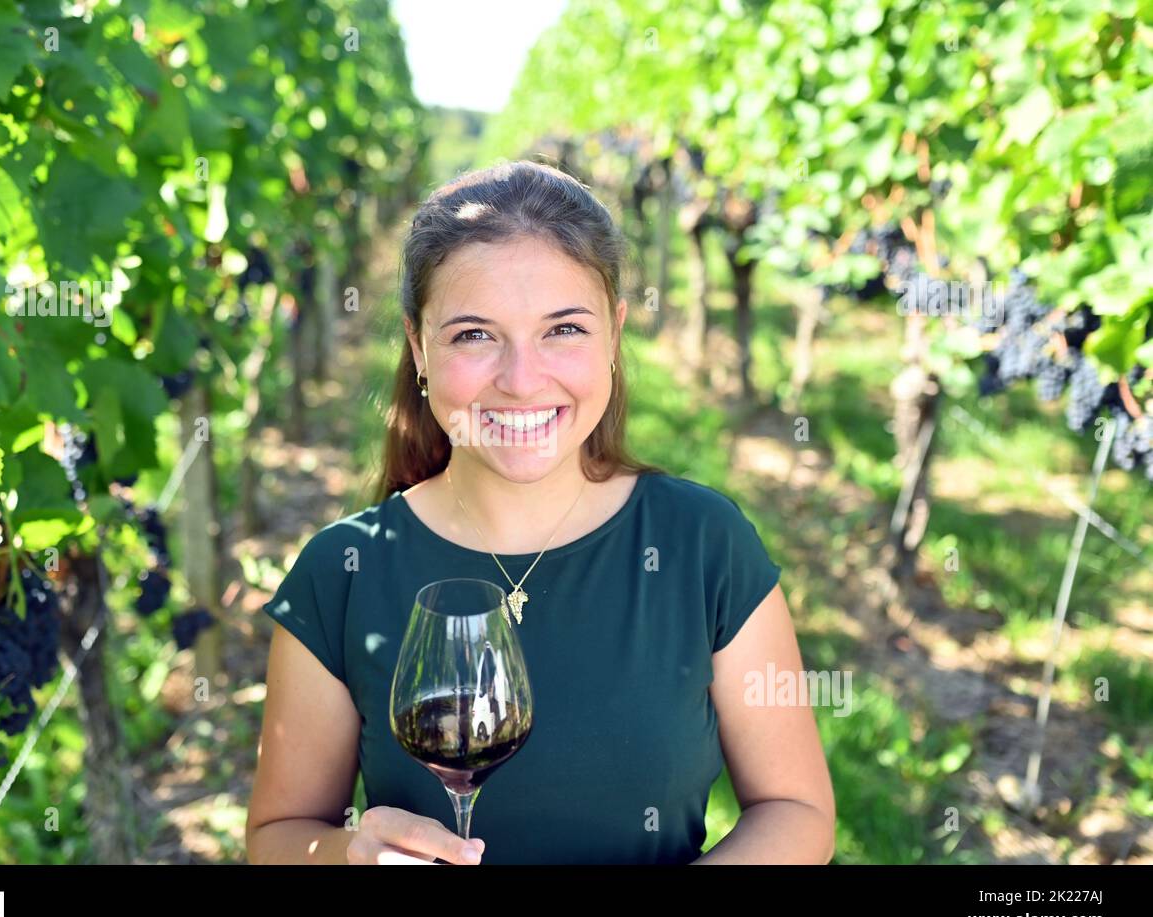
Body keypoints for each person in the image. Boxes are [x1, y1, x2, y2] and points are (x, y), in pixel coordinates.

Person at [247, 159, 834, 864]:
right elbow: (279, 835)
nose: (522, 382)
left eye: (563, 330)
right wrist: (348, 855)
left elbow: (796, 811)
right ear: (417, 347)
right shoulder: (341, 572)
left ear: (614, 336)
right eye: (474, 335)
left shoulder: (705, 544)